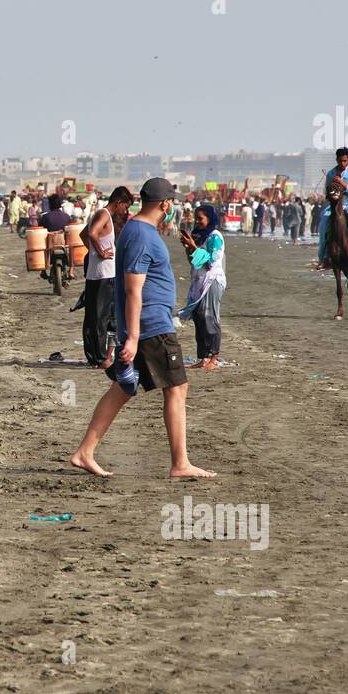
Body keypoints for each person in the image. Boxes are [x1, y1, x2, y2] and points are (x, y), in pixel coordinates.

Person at [68, 178, 214, 480]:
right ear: (164, 204)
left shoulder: (137, 231)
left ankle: (84, 452)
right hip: (150, 326)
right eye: (171, 201)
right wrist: (132, 337)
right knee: (176, 387)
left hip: (146, 325)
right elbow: (133, 288)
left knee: (123, 388)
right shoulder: (141, 235)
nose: (172, 206)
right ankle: (180, 463)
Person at [81, 187, 133, 367]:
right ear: (118, 203)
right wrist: (101, 252)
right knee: (102, 317)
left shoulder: (100, 214)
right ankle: (101, 358)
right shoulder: (105, 214)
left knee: (94, 316)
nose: (124, 212)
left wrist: (94, 253)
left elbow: (83, 235)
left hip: (97, 273)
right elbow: (90, 233)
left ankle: (95, 356)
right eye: (125, 207)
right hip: (105, 274)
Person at [178, 204, 228, 369]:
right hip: (199, 281)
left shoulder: (215, 236)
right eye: (196, 218)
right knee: (199, 318)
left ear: (210, 218)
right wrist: (188, 247)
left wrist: (193, 246)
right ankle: (203, 358)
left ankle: (214, 357)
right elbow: (194, 261)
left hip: (212, 280)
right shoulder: (199, 236)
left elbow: (211, 262)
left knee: (209, 317)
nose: (197, 222)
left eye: (201, 218)